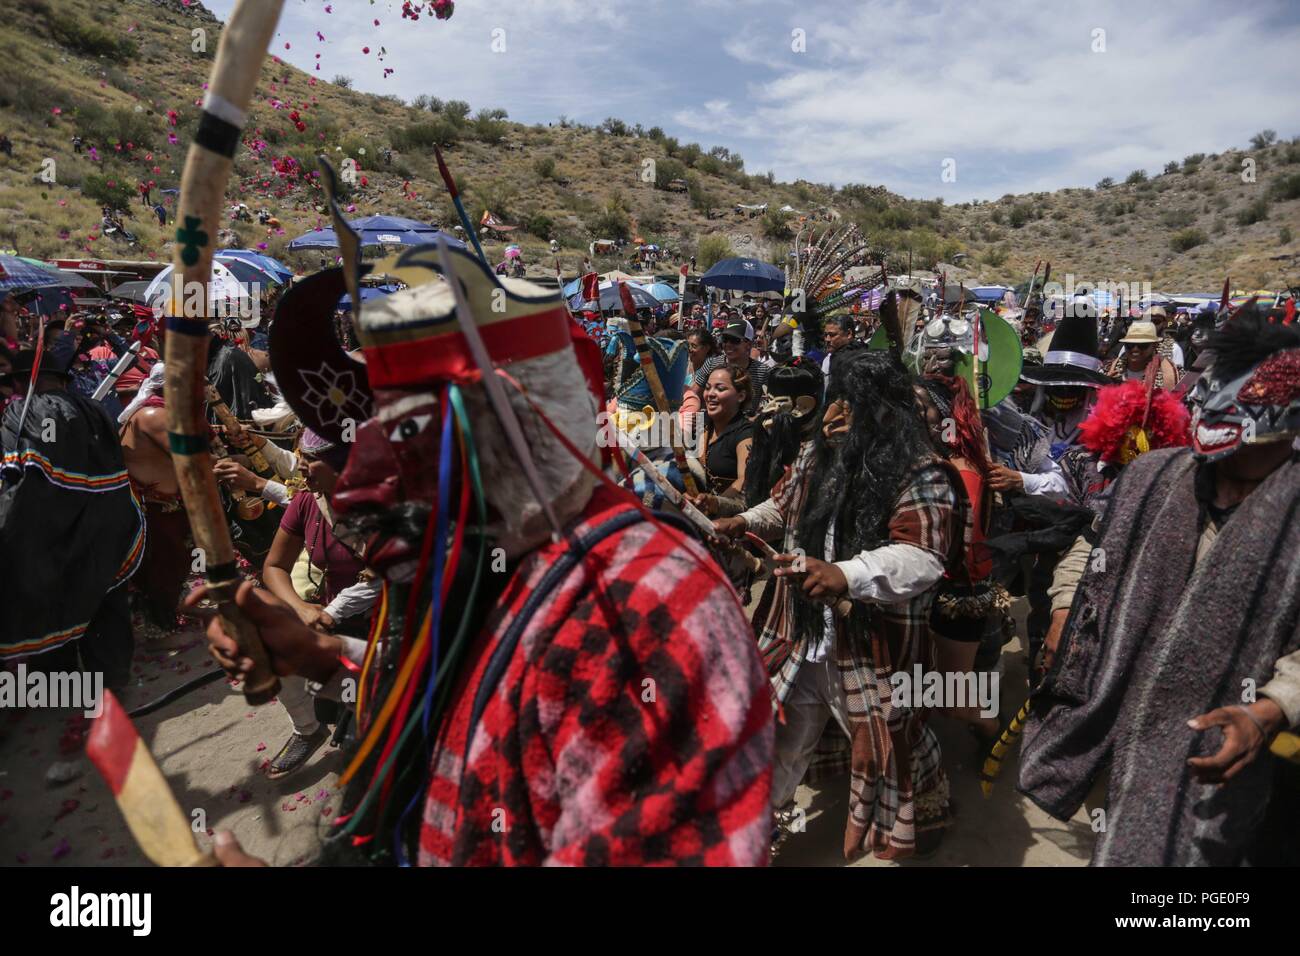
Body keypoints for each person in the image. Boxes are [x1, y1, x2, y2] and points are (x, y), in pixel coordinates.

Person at [197, 247, 773, 866]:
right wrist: (328, 654)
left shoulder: (641, 611)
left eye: (411, 430)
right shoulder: (487, 562)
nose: (356, 484)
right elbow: (480, 702)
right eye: (363, 426)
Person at [1020, 313, 1300, 865]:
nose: (1224, 466)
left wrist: (1269, 710)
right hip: (1120, 708)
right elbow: (1092, 545)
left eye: (1246, 454)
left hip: (1229, 739)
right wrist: (1062, 615)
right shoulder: (1154, 474)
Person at [756, 343, 961, 859]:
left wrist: (846, 574)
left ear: (883, 411)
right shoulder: (817, 455)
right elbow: (779, 508)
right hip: (805, 637)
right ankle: (756, 832)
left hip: (872, 651)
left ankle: (923, 819)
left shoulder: (923, 472)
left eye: (853, 403)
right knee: (785, 736)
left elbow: (923, 556)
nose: (835, 414)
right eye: (835, 398)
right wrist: (739, 519)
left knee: (890, 748)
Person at [0, 348, 143, 686]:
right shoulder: (94, 408)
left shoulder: (25, 412)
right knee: (107, 600)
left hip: (57, 529)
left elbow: (22, 480)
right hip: (109, 523)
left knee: (51, 601)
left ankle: (56, 684)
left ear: (23, 382)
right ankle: (113, 680)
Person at [257, 428, 377, 777]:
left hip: (387, 624)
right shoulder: (309, 500)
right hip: (330, 618)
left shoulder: (383, 506)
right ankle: (307, 730)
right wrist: (301, 609)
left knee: (368, 750)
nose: (302, 468)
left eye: (311, 460)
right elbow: (274, 567)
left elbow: (383, 579)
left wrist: (329, 614)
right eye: (302, 457)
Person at [691, 364, 753, 516]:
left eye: (720, 389)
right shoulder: (701, 423)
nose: (710, 394)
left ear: (741, 396)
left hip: (723, 519)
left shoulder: (745, 433)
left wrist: (714, 504)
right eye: (707, 387)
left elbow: (744, 479)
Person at [687, 319, 770, 416]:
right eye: (725, 339)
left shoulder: (763, 371)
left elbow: (771, 405)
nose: (728, 344)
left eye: (735, 340)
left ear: (748, 344)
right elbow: (692, 395)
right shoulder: (711, 364)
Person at [1105, 320, 1178, 389]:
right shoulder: (1108, 369)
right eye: (1130, 345)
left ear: (1155, 345)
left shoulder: (1172, 373)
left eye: (1142, 345)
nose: (1135, 349)